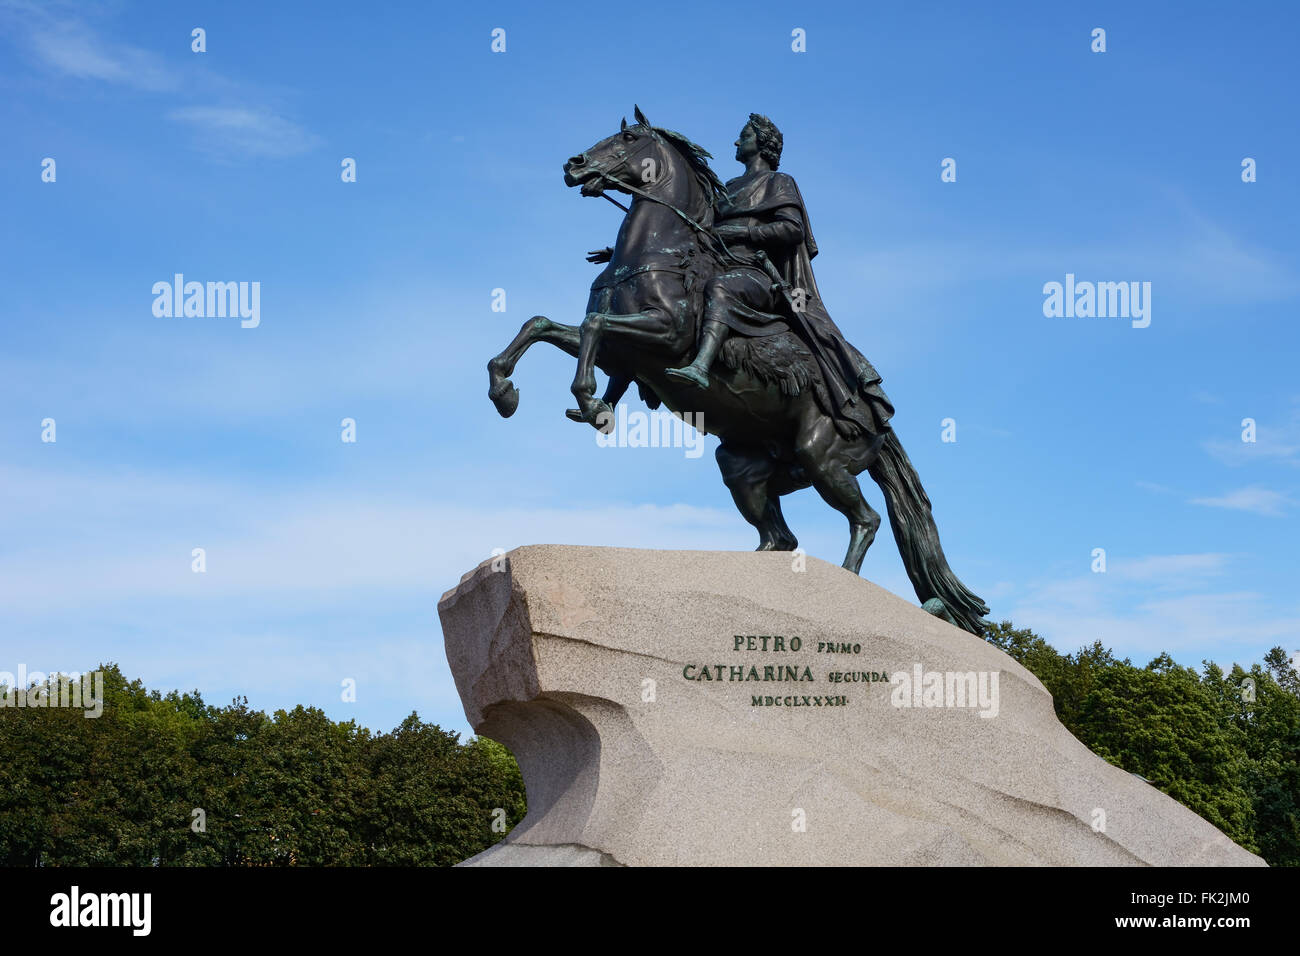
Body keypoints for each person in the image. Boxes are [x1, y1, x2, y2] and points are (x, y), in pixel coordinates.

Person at [665, 114, 893, 440]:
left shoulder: (778, 182)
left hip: (757, 276)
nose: (736, 142)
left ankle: (701, 366)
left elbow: (792, 228)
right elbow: (698, 231)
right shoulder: (727, 188)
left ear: (762, 143)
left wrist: (741, 230)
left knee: (720, 289)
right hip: (719, 263)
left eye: (743, 136)